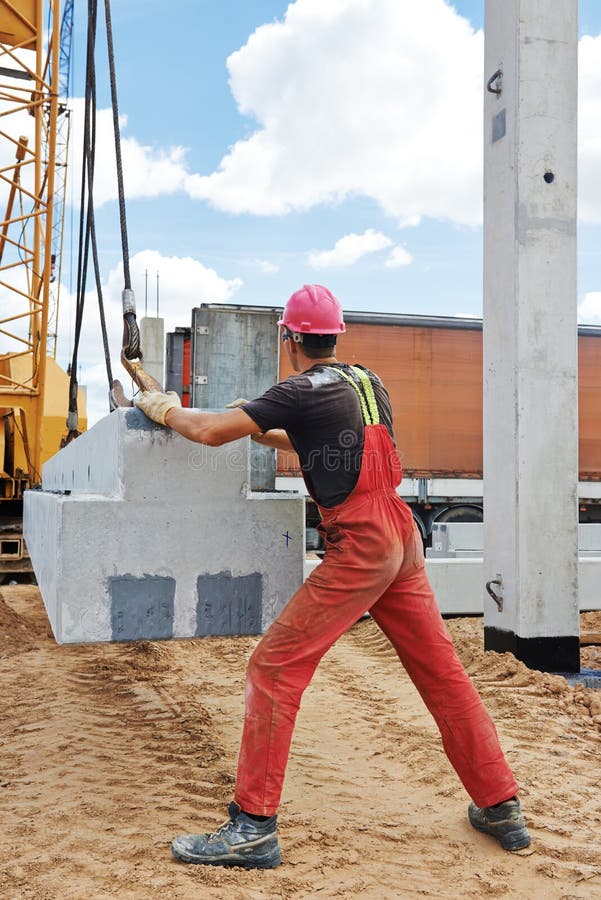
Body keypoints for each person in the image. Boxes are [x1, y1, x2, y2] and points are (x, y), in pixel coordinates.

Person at [135, 284, 531, 869]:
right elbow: (298, 438)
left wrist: (166, 409)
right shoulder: (365, 382)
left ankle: (253, 827)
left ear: (290, 339)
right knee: (443, 673)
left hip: (363, 543)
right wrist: (223, 422)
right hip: (401, 535)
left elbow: (214, 432)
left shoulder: (298, 388)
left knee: (273, 667)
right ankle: (500, 804)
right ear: (335, 335)